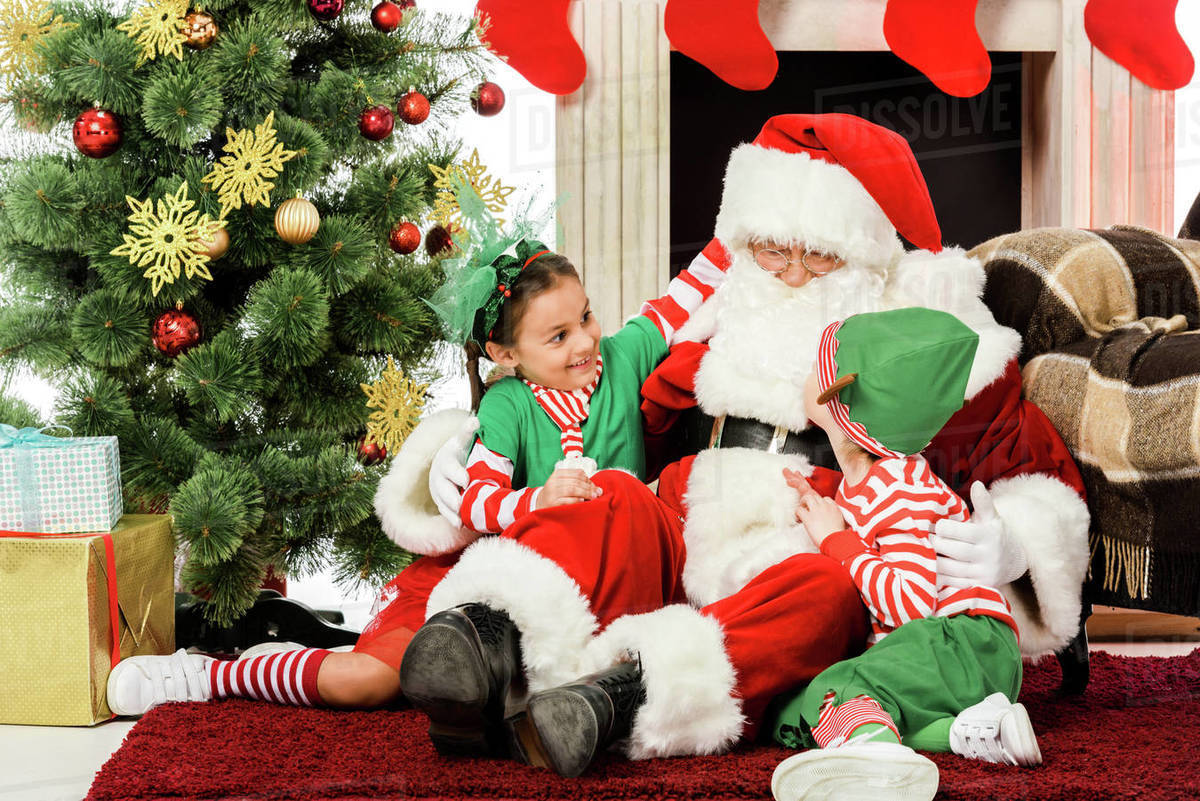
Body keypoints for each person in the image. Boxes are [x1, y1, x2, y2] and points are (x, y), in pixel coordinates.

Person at [404, 112, 1089, 776]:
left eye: (818, 253)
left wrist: (1018, 549)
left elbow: (1019, 458)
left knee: (823, 595)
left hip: (809, 533)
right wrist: (462, 444)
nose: (790, 272)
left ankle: (622, 697)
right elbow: (574, 390)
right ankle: (488, 646)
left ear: (862, 251)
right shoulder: (717, 307)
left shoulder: (922, 330)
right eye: (771, 248)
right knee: (611, 493)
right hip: (688, 509)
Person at [104, 183, 730, 719]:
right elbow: (480, 501)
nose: (585, 343)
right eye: (559, 336)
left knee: (624, 542)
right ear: (505, 355)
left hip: (612, 584)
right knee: (366, 682)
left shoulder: (622, 358)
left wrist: (767, 212)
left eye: (587, 318)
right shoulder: (507, 406)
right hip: (507, 582)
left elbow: (694, 285)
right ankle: (207, 675)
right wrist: (543, 498)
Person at [767, 307, 1039, 801]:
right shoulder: (872, 484)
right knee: (795, 713)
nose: (805, 377)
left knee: (840, 688)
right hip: (950, 656)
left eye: (817, 368)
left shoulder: (899, 488)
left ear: (838, 399)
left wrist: (836, 541)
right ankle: (976, 733)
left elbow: (911, 603)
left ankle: (873, 761)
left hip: (965, 642)